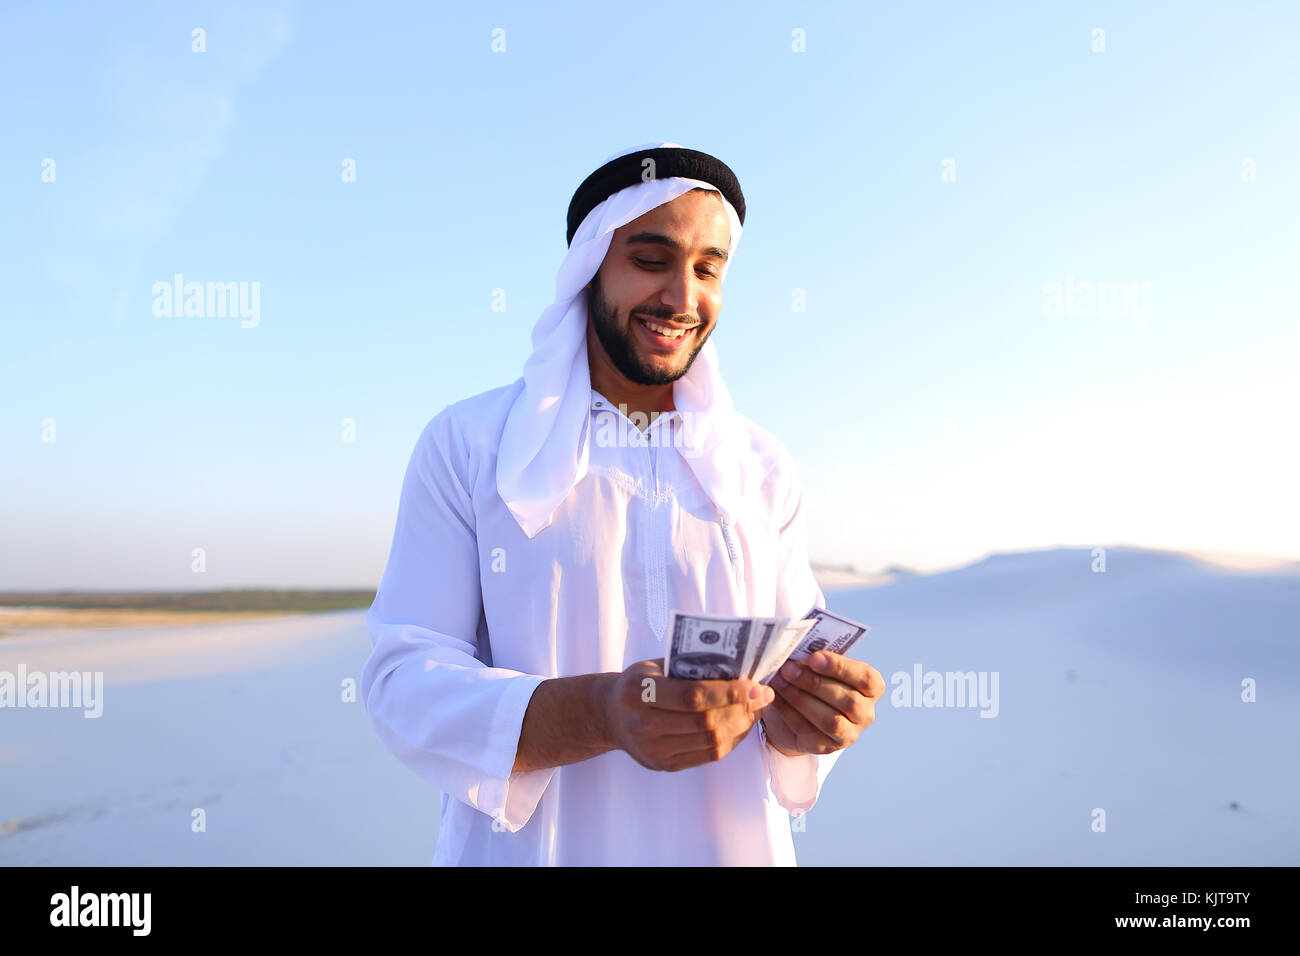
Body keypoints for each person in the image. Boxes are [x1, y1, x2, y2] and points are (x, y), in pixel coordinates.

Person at [361, 142, 885, 866]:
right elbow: (401, 683)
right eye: (650, 259)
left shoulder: (761, 467)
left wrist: (811, 723)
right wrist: (602, 712)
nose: (682, 297)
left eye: (708, 268)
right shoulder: (471, 444)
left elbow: (789, 684)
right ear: (589, 268)